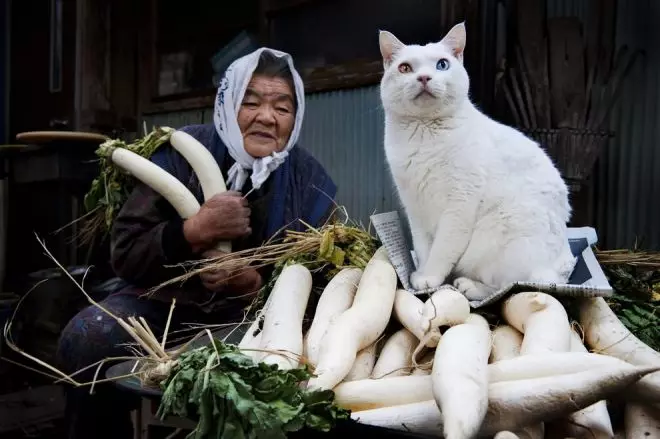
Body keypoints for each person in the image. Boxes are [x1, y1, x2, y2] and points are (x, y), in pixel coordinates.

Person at [56, 48, 337, 439]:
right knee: (85, 337)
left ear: (297, 117)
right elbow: (125, 253)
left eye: (283, 108)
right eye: (250, 102)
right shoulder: (180, 153)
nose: (267, 117)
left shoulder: (310, 183)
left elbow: (322, 282)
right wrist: (193, 232)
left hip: (251, 320)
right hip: (161, 305)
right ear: (226, 102)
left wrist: (254, 283)